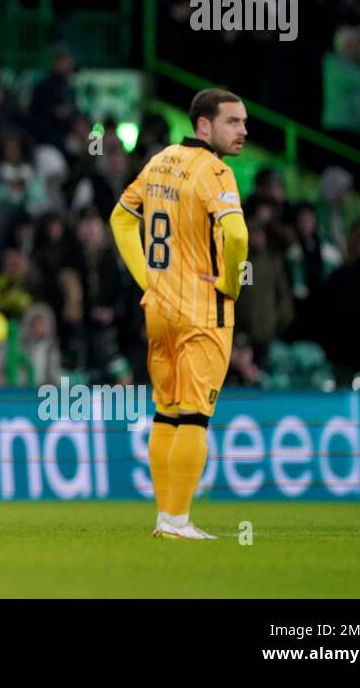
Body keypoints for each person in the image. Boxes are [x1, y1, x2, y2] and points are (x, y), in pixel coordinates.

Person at [109, 88, 250, 540]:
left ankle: (166, 518)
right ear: (203, 125)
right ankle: (177, 519)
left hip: (160, 309)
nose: (243, 130)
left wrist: (147, 277)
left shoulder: (161, 160)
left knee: (166, 413)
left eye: (245, 122)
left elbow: (120, 218)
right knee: (194, 416)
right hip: (201, 312)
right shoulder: (216, 171)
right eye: (233, 121)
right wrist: (230, 282)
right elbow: (239, 236)